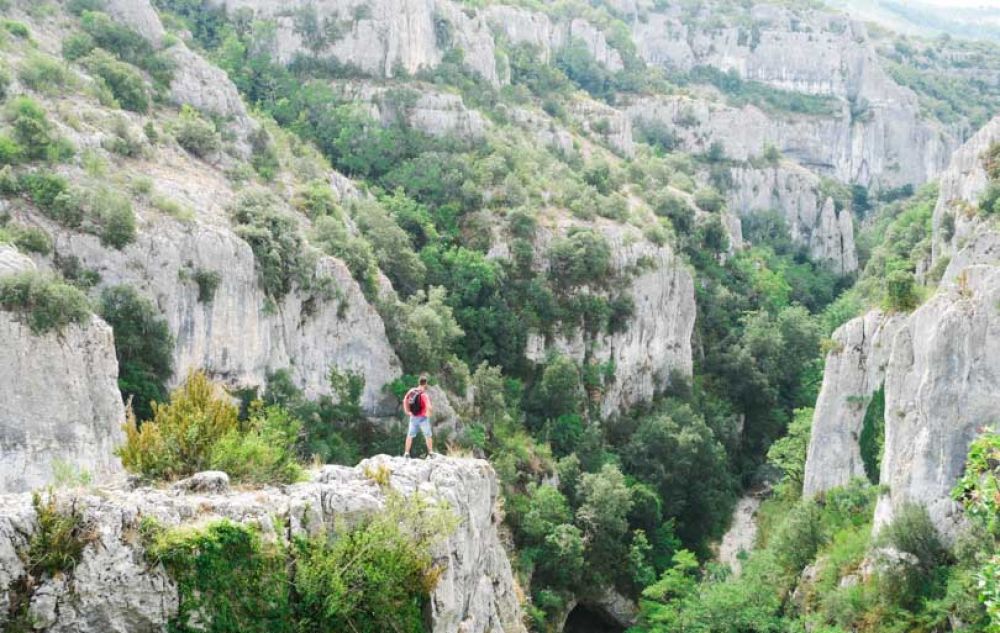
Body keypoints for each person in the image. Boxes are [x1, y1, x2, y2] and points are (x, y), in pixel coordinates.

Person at [403, 376, 434, 459]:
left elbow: (405, 400)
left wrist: (407, 411)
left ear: (419, 383)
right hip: (423, 418)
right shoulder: (424, 395)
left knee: (410, 435)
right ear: (425, 384)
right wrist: (429, 414)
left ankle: (406, 453)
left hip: (413, 417)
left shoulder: (412, 391)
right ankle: (430, 453)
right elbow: (429, 407)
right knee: (428, 435)